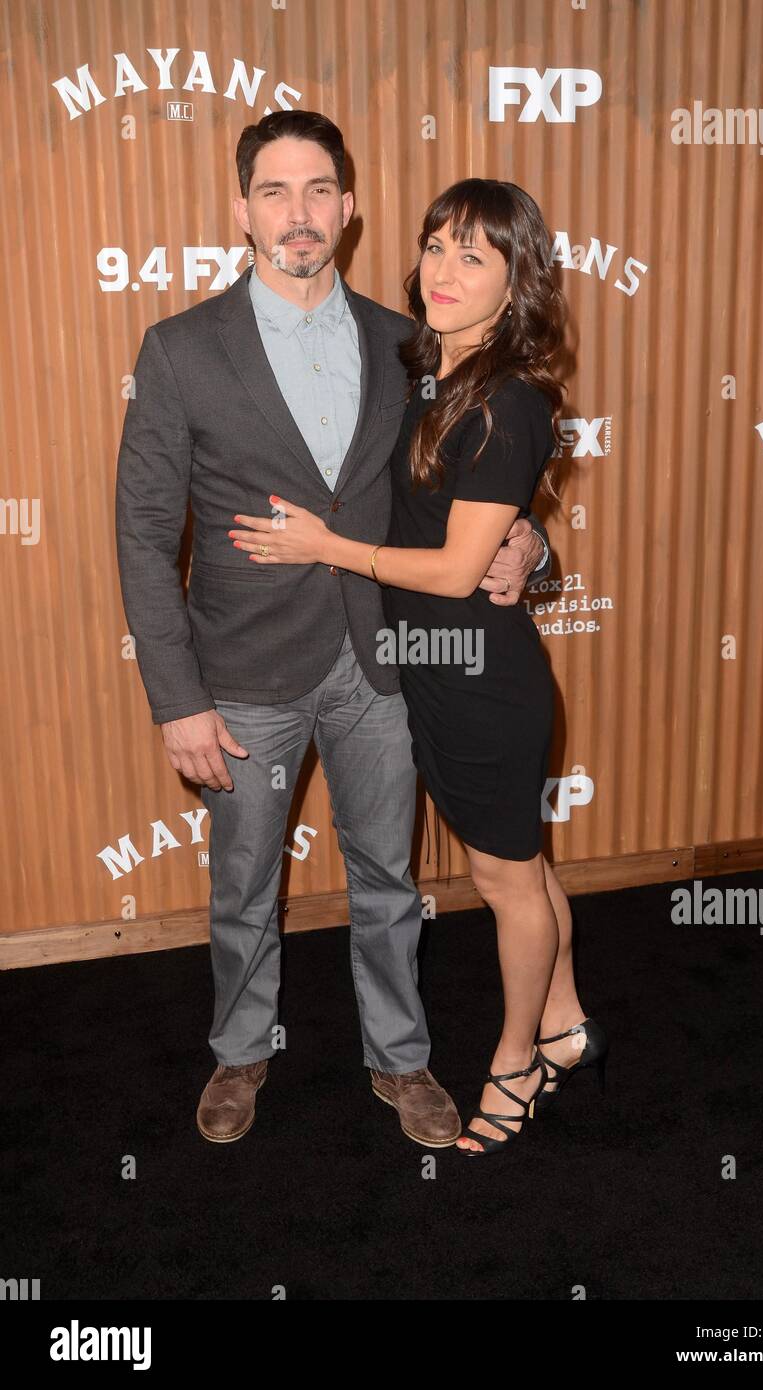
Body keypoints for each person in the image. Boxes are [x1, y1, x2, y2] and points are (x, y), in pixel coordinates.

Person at [115, 111, 554, 1148]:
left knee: (389, 879)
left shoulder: (408, 345)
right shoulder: (179, 351)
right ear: (243, 211)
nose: (299, 212)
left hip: (387, 660)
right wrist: (177, 698)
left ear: (349, 210)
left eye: (319, 191)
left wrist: (532, 543)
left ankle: (401, 1059)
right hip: (246, 669)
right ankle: (241, 1048)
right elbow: (141, 536)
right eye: (275, 191)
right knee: (243, 882)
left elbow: (474, 482)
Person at [232, 177, 609, 1155]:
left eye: (473, 255)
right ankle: (567, 1023)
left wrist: (327, 546)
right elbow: (461, 517)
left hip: (480, 679)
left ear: (518, 280)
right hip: (426, 672)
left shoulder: (511, 397)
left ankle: (516, 1058)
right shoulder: (426, 361)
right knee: (521, 860)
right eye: (436, 245)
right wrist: (520, 533)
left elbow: (450, 565)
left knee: (508, 878)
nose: (443, 269)